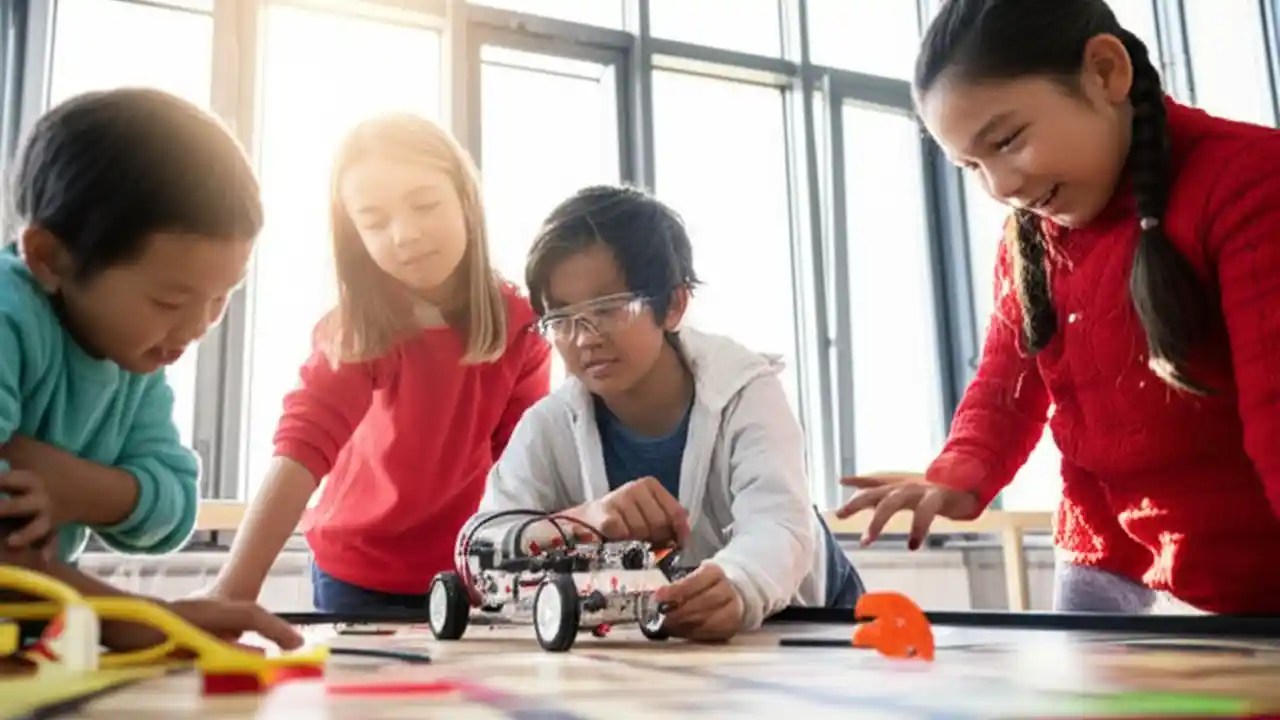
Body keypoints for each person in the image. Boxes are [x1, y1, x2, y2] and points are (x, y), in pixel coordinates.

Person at [838, 0, 1280, 614]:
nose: (1001, 187)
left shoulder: (1250, 182)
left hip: (1251, 575)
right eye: (972, 166)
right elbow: (1003, 382)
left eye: (1008, 140)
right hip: (1105, 563)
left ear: (1105, 73)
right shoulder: (1031, 240)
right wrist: (958, 474)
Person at [480, 185, 863, 642]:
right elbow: (482, 543)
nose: (583, 339)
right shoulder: (549, 426)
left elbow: (779, 523)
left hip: (808, 616)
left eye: (608, 310)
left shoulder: (745, 390)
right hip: (666, 633)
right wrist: (578, 522)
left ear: (675, 305)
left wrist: (739, 583)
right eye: (561, 318)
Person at [206, 114, 551, 613]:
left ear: (466, 200)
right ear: (355, 238)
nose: (405, 234)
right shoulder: (357, 329)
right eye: (373, 221)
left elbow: (521, 468)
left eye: (425, 204)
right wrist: (232, 588)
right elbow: (302, 449)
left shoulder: (520, 327)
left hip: (469, 575)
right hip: (356, 572)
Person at [0, 87, 301, 650]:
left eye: (221, 299)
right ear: (48, 259)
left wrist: (73, 487)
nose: (197, 327)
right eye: (169, 301)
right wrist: (153, 622)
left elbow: (174, 507)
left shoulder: (133, 355)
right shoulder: (8, 312)